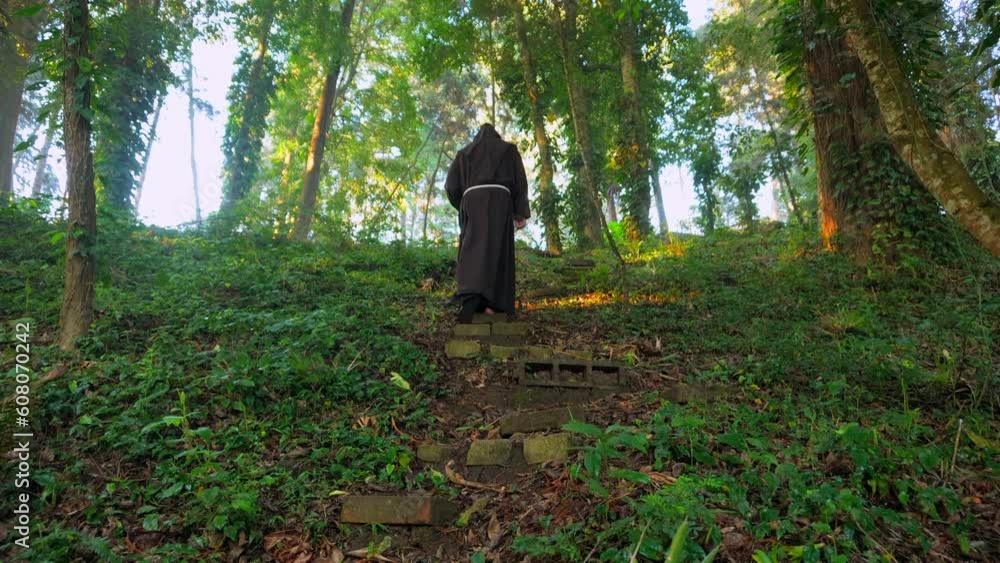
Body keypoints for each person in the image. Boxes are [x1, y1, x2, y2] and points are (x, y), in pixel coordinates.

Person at [445, 123, 530, 323]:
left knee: (472, 249)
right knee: (498, 251)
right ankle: (494, 304)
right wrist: (520, 212)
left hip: (473, 202)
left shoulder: (464, 153)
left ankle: (473, 298)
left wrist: (463, 204)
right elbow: (520, 180)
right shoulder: (508, 149)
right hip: (501, 202)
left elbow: (451, 186)